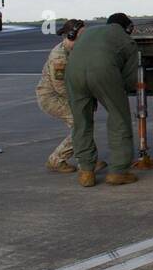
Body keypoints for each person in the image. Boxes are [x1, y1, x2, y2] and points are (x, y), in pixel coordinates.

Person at [65, 12, 139, 187]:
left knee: (81, 121)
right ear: (127, 27)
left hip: (73, 72)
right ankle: (118, 172)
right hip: (103, 71)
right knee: (118, 117)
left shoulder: (90, 31)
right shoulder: (126, 39)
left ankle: (86, 172)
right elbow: (130, 78)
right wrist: (121, 91)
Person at [35, 18, 104, 174]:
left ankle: (86, 160)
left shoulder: (75, 51)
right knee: (81, 125)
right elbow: (61, 87)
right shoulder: (59, 58)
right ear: (71, 36)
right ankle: (57, 159)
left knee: (83, 123)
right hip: (52, 97)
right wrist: (83, 100)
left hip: (65, 94)